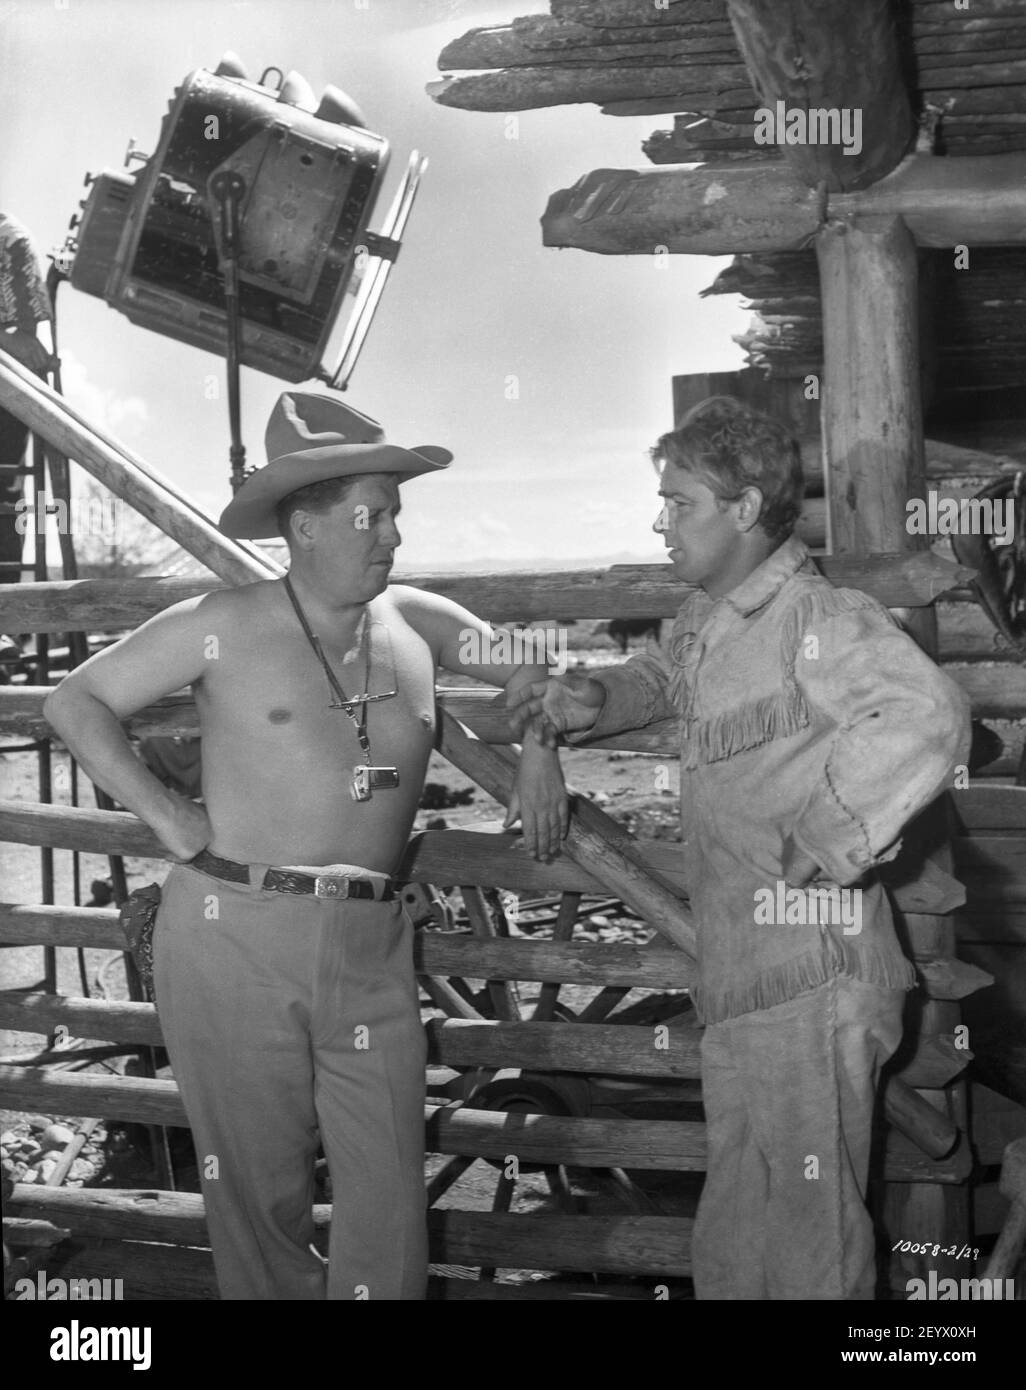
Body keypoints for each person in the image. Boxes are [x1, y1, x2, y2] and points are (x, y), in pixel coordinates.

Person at [44, 389, 569, 1300]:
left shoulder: (418, 620)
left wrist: (540, 751)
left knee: (388, 1194)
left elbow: (534, 662)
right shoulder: (223, 621)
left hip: (369, 946)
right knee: (259, 1198)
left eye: (397, 514)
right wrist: (168, 817)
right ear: (306, 524)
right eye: (374, 515)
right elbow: (74, 702)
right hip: (233, 934)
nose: (393, 537)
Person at [508, 395, 971, 1301]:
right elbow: (660, 680)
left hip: (817, 969)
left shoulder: (819, 616)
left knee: (807, 1234)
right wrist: (589, 700)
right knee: (742, 1220)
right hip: (754, 974)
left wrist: (832, 832)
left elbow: (928, 714)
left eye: (680, 501)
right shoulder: (712, 619)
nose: (661, 519)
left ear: (747, 508)